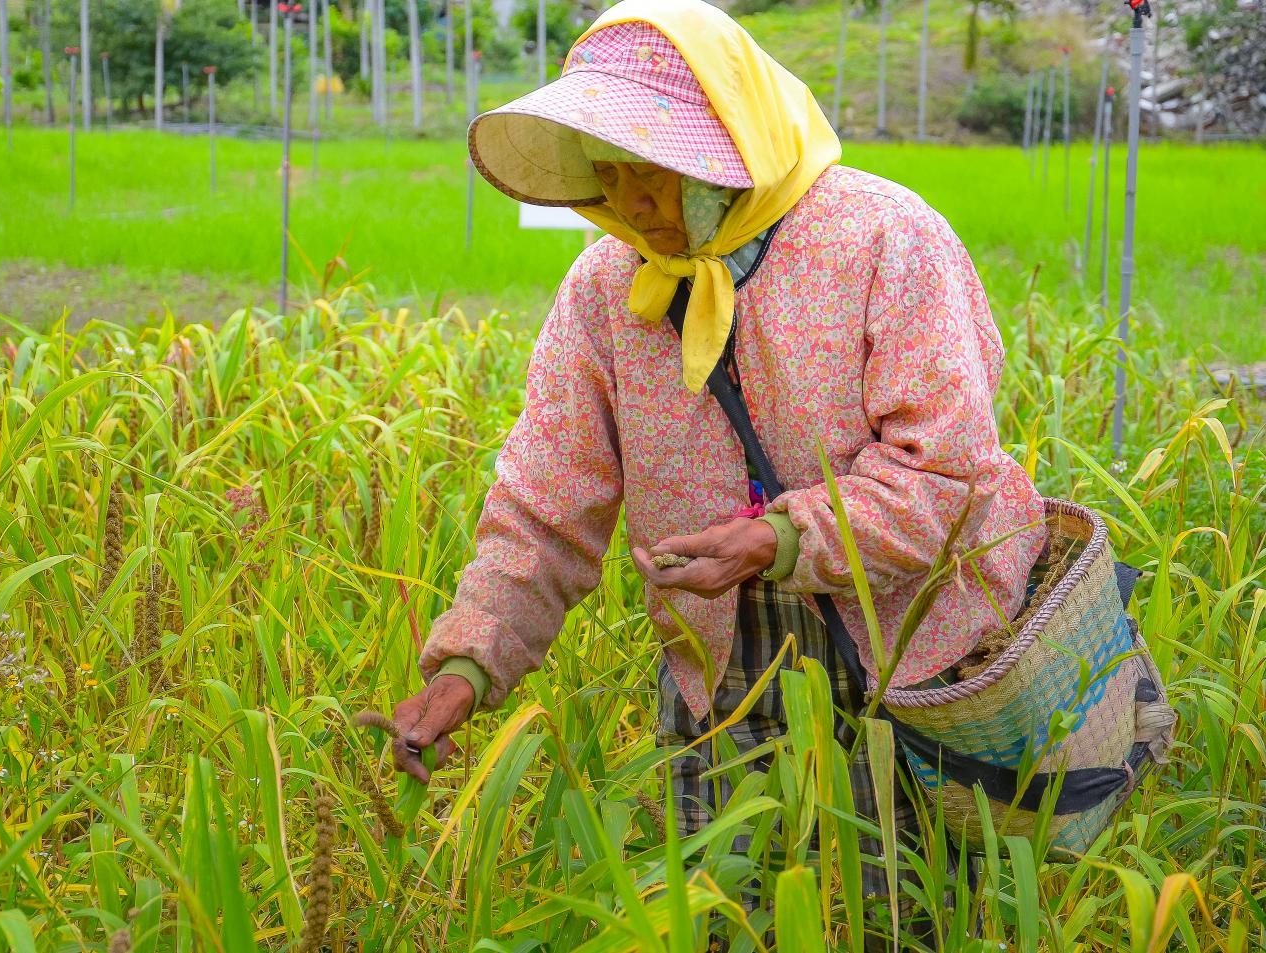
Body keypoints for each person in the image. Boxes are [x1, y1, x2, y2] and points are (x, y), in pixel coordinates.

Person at [391, 0, 1046, 934]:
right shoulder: (608, 287)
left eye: (657, 171)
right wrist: (469, 659)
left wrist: (775, 537)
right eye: (611, 174)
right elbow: (546, 500)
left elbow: (942, 475)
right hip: (716, 661)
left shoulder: (881, 240)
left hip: (904, 655)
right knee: (724, 902)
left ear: (734, 146)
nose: (635, 203)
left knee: (897, 909)